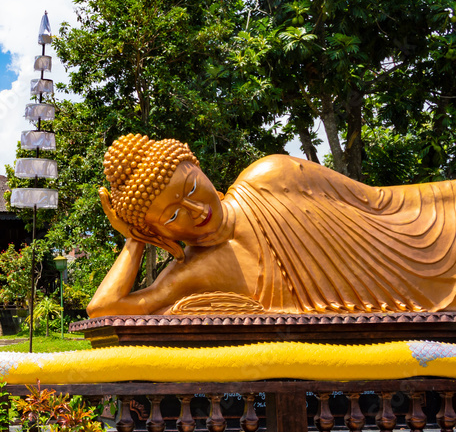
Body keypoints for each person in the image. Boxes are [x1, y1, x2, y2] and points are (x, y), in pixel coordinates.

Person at [87, 134, 456, 317]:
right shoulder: (197, 271)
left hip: (408, 249)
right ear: (158, 233)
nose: (196, 210)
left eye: (192, 188)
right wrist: (135, 240)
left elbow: (376, 203)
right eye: (172, 216)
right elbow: (104, 308)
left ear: (198, 168)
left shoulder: (272, 174)